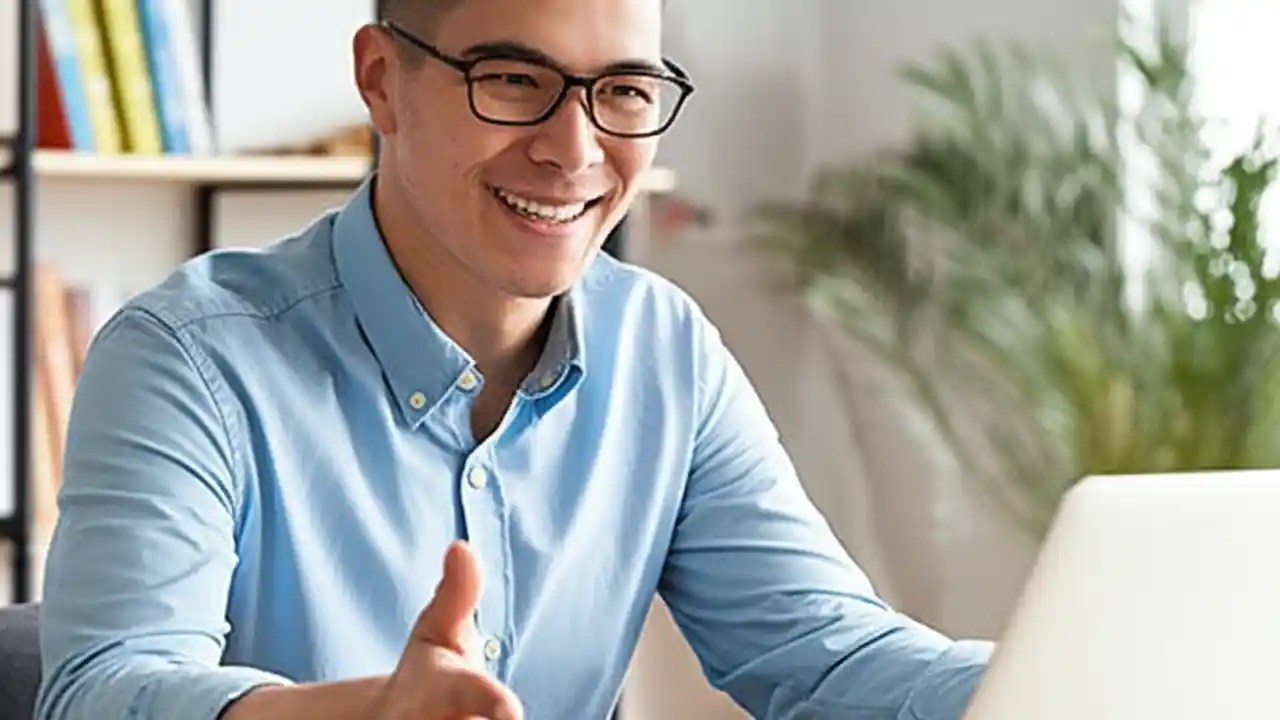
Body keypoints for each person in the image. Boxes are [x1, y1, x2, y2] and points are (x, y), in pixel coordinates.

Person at [35, 0, 993, 718]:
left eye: (624, 91)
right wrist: (354, 713)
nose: (574, 151)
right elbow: (102, 689)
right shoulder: (190, 358)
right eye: (513, 80)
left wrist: (1046, 682)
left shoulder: (664, 349)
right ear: (381, 80)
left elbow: (826, 655)